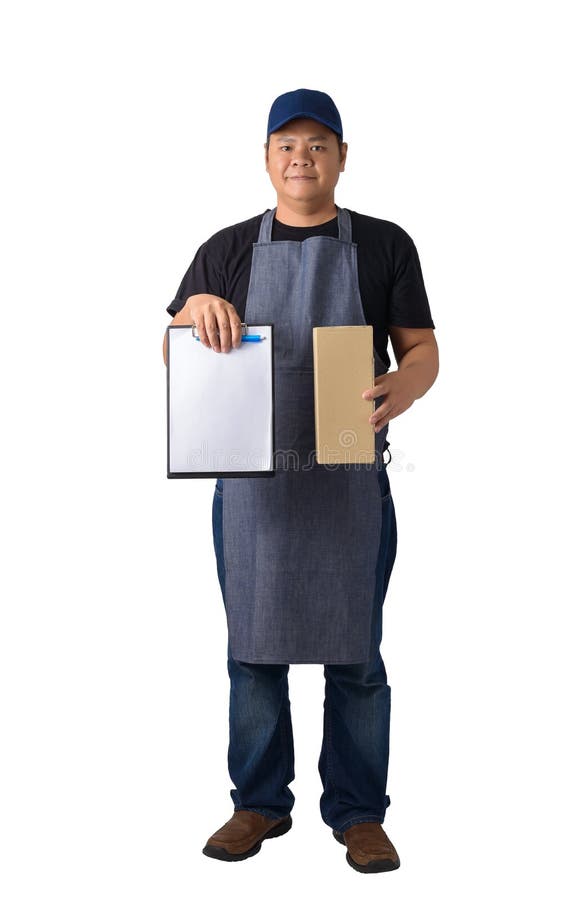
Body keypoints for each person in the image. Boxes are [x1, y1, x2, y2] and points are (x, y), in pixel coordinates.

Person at [162, 88, 438, 874]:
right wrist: (192, 314)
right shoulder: (226, 249)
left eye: (318, 143)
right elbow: (170, 354)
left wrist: (407, 387)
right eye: (287, 144)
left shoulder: (385, 245)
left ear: (343, 157)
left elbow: (420, 349)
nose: (301, 157)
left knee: (355, 654)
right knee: (253, 653)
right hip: (255, 486)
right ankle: (257, 804)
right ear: (265, 158)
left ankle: (358, 814)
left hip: (350, 474)